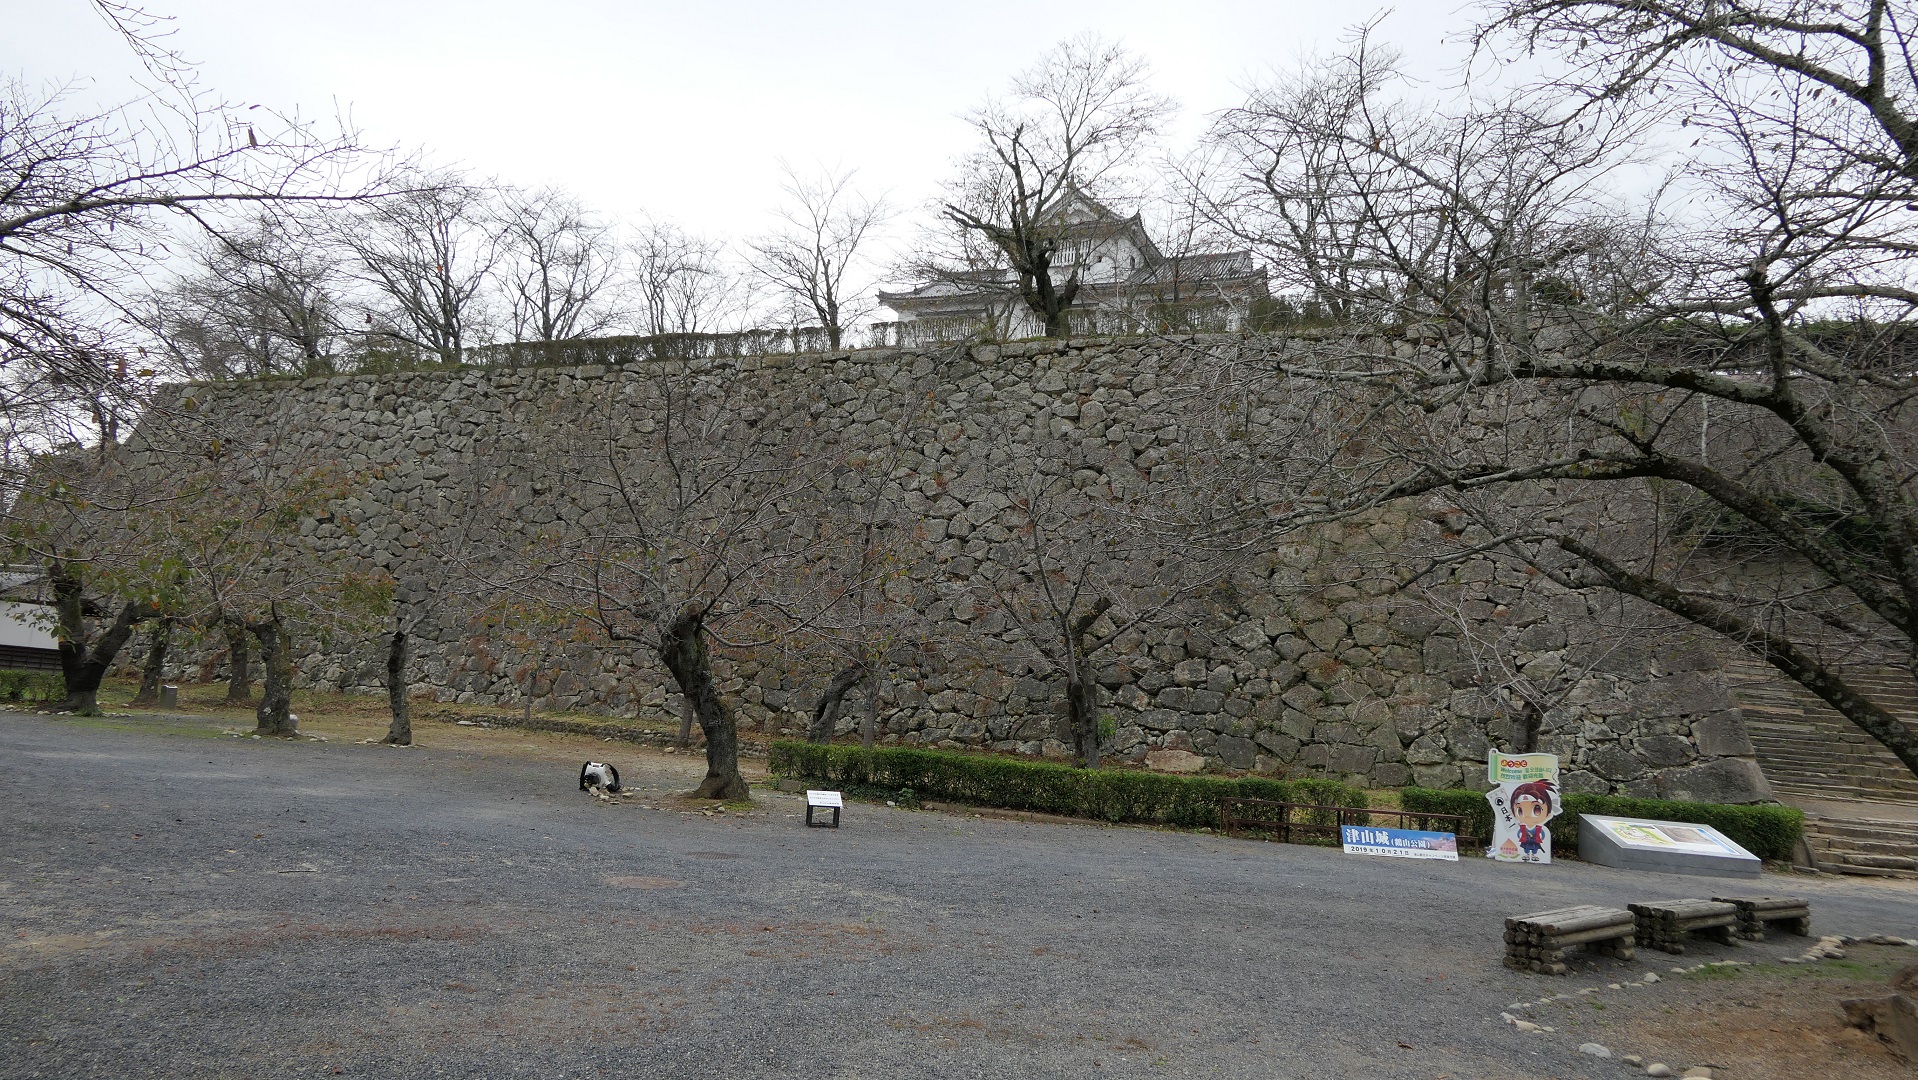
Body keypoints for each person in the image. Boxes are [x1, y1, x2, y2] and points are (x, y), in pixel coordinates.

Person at [1510, 778, 1557, 862]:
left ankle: (1534, 855)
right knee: (1526, 849)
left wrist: (1540, 838)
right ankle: (1527, 855)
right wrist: (1520, 837)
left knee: (1534, 849)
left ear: (1548, 814)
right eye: (1519, 810)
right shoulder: (1523, 827)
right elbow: (1518, 833)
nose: (1527, 816)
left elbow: (1542, 834)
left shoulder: (1539, 828)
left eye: (1536, 809)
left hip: (1535, 842)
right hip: (1526, 841)